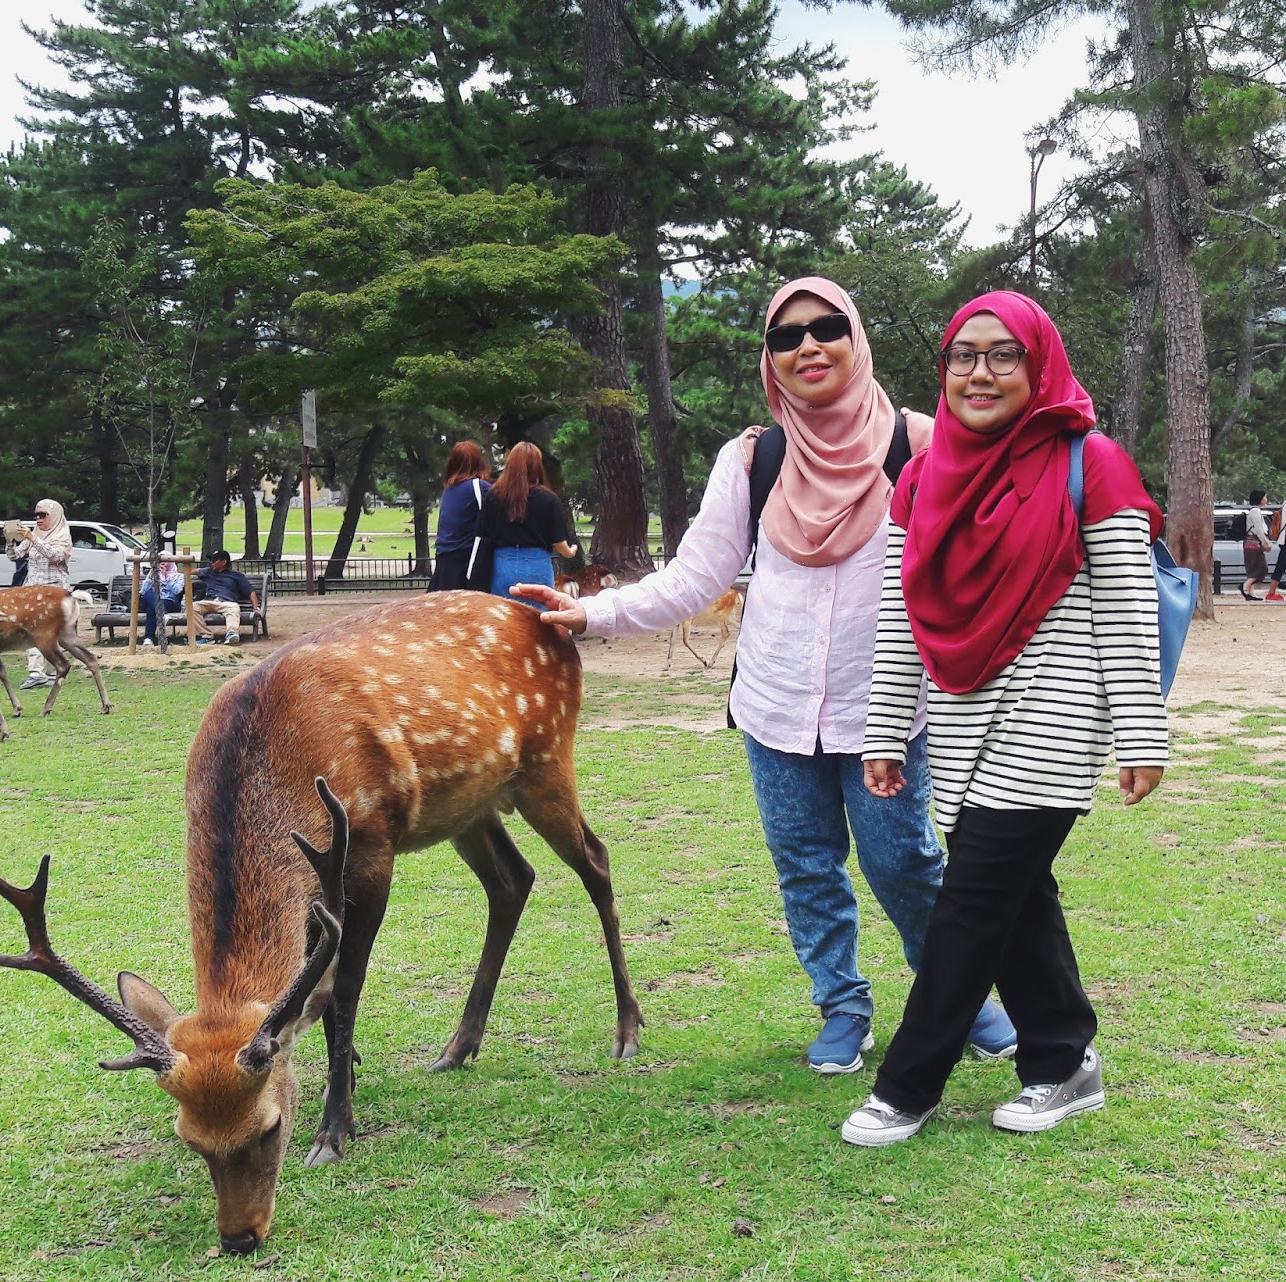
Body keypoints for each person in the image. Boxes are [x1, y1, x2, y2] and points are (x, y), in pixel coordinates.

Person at [514, 276, 1015, 1074]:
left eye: (826, 329)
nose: (808, 347)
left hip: (887, 708)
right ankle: (842, 1004)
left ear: (856, 337)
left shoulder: (924, 442)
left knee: (905, 863)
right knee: (806, 866)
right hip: (776, 706)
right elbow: (693, 576)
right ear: (770, 359)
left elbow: (991, 550)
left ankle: (962, 994)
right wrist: (594, 613)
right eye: (787, 337)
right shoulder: (754, 457)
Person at [841, 290, 1168, 1147]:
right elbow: (899, 613)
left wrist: (1139, 732)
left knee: (974, 900)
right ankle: (1065, 1060)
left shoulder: (1090, 461)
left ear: (1039, 362)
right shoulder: (921, 475)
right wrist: (884, 729)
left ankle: (905, 1085)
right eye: (963, 355)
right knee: (1017, 894)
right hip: (960, 716)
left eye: (1003, 355)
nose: (979, 373)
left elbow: (1129, 610)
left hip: (1057, 713)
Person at [478, 441, 578, 607]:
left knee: (505, 618)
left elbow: (484, 533)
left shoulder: (494, 495)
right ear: (537, 466)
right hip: (537, 565)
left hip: (503, 564)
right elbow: (559, 542)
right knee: (539, 619)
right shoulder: (549, 498)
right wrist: (570, 552)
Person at [8, 498, 73, 688]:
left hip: (53, 592)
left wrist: (33, 539)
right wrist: (9, 541)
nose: (38, 519)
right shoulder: (34, 534)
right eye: (36, 515)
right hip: (32, 591)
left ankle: (53, 671)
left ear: (54, 516)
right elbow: (16, 555)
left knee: (52, 633)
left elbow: (56, 555)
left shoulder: (61, 535)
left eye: (42, 515)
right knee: (31, 632)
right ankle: (36, 672)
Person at [427, 440, 494, 592]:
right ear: (479, 462)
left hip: (444, 560)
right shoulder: (479, 487)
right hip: (466, 559)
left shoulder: (448, 490)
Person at [192, 549, 258, 645]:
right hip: (209, 601)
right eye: (211, 560)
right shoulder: (208, 572)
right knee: (192, 607)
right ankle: (207, 637)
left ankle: (232, 634)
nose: (211, 563)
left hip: (227, 602)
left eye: (214, 560)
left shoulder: (237, 576)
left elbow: (250, 592)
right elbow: (189, 571)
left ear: (224, 562)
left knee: (234, 608)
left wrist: (256, 608)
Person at [139, 557, 185, 647]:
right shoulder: (153, 575)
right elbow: (143, 591)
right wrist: (151, 574)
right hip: (154, 601)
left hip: (170, 601)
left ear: (171, 563)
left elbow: (177, 591)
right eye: (160, 562)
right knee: (149, 593)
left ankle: (149, 638)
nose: (162, 565)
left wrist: (166, 576)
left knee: (151, 608)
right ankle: (163, 614)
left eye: (165, 562)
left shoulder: (179, 576)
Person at [1240, 489, 1273, 601]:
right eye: (1265, 497)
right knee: (1262, 568)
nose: (1266, 499)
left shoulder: (1254, 511)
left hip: (1249, 543)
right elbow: (1259, 530)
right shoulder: (1255, 512)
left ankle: (1251, 593)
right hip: (1254, 543)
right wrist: (1266, 542)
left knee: (1252, 568)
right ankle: (1245, 587)